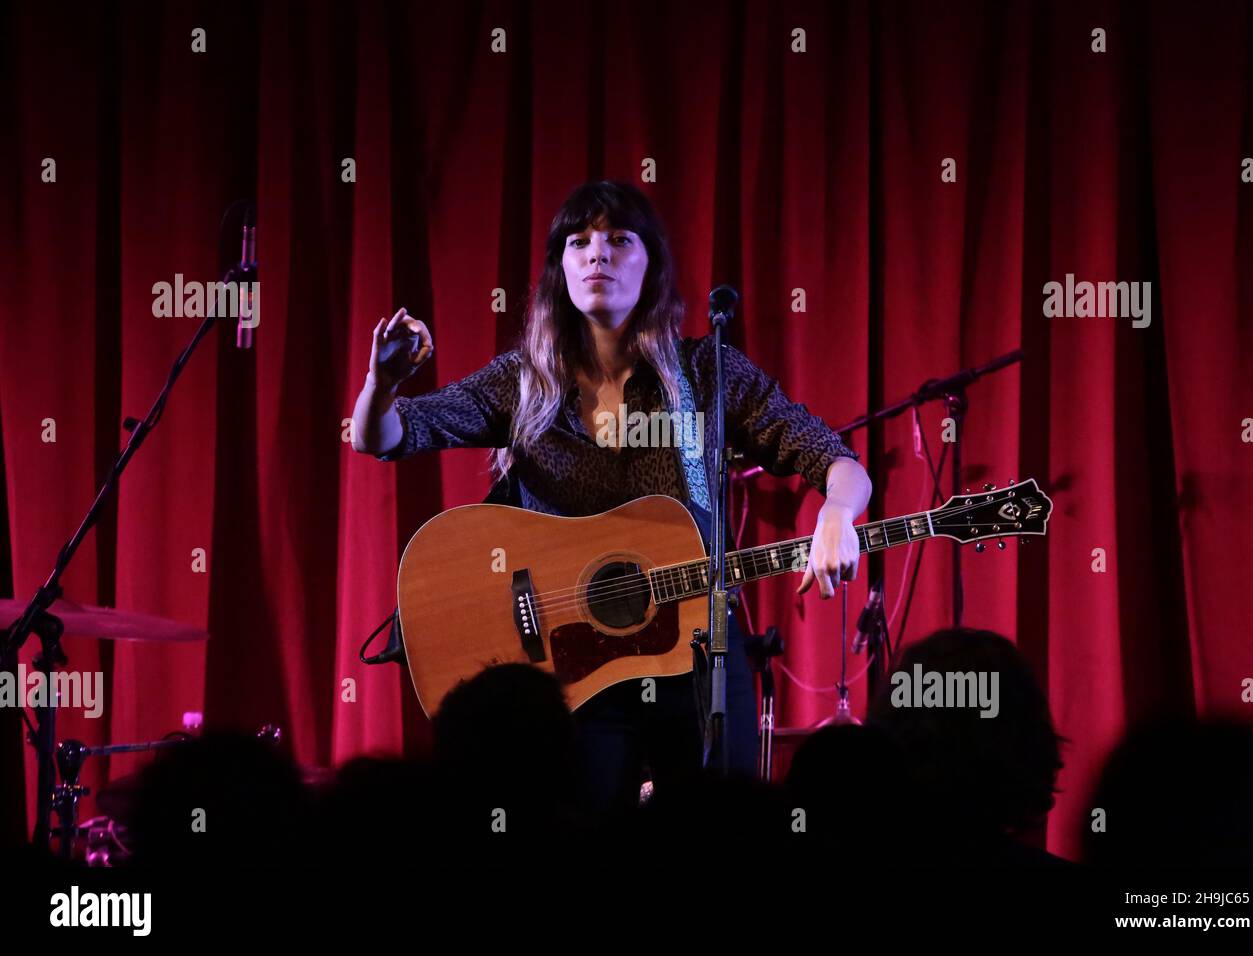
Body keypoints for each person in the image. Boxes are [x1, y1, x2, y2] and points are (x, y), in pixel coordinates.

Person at [351, 179, 871, 821]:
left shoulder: (706, 372)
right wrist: (382, 383)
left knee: (724, 824)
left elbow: (837, 461)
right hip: (572, 671)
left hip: (696, 652)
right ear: (560, 269)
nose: (597, 252)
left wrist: (836, 512)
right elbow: (384, 436)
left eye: (619, 239)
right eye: (579, 241)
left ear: (651, 264)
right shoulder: (524, 381)